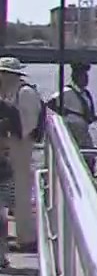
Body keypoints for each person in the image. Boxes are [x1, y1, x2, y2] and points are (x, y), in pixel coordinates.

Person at [0, 57, 45, 254]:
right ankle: (21, 235)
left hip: (21, 148)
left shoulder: (25, 93)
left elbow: (27, 126)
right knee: (16, 194)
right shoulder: (13, 92)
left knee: (22, 193)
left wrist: (7, 140)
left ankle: (26, 238)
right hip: (13, 148)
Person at [55, 63, 97, 176]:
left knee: (89, 158)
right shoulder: (65, 92)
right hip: (72, 129)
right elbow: (49, 106)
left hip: (83, 130)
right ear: (75, 77)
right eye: (82, 76)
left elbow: (86, 111)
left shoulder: (85, 94)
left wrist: (93, 117)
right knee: (74, 157)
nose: (86, 79)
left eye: (86, 76)